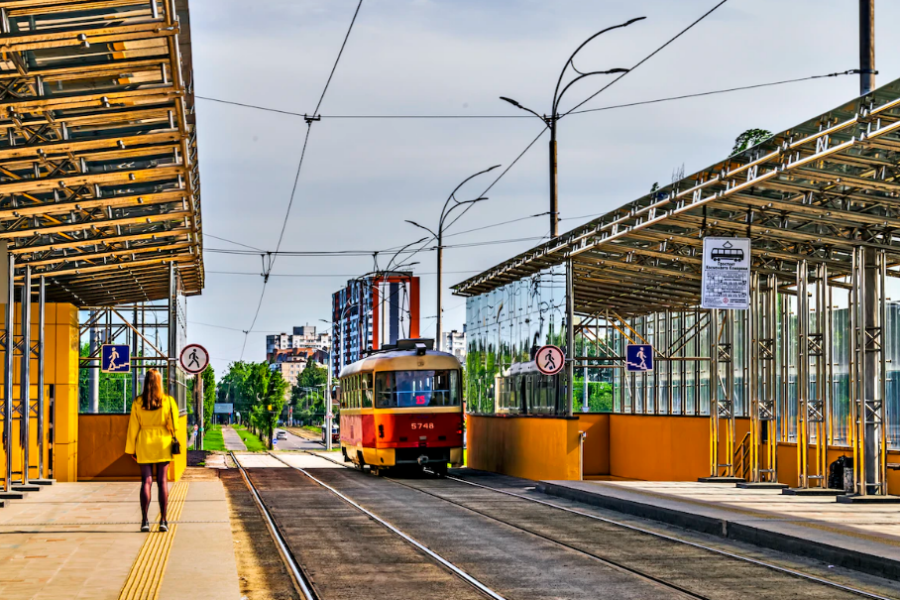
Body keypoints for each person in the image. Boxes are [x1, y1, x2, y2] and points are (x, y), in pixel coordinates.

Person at [125, 369, 179, 533]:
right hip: (163, 442)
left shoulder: (138, 402)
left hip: (144, 442)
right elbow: (174, 425)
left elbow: (133, 427)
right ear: (159, 382)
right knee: (162, 481)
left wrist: (131, 449)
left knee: (146, 481)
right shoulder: (168, 401)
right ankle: (163, 520)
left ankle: (145, 521)